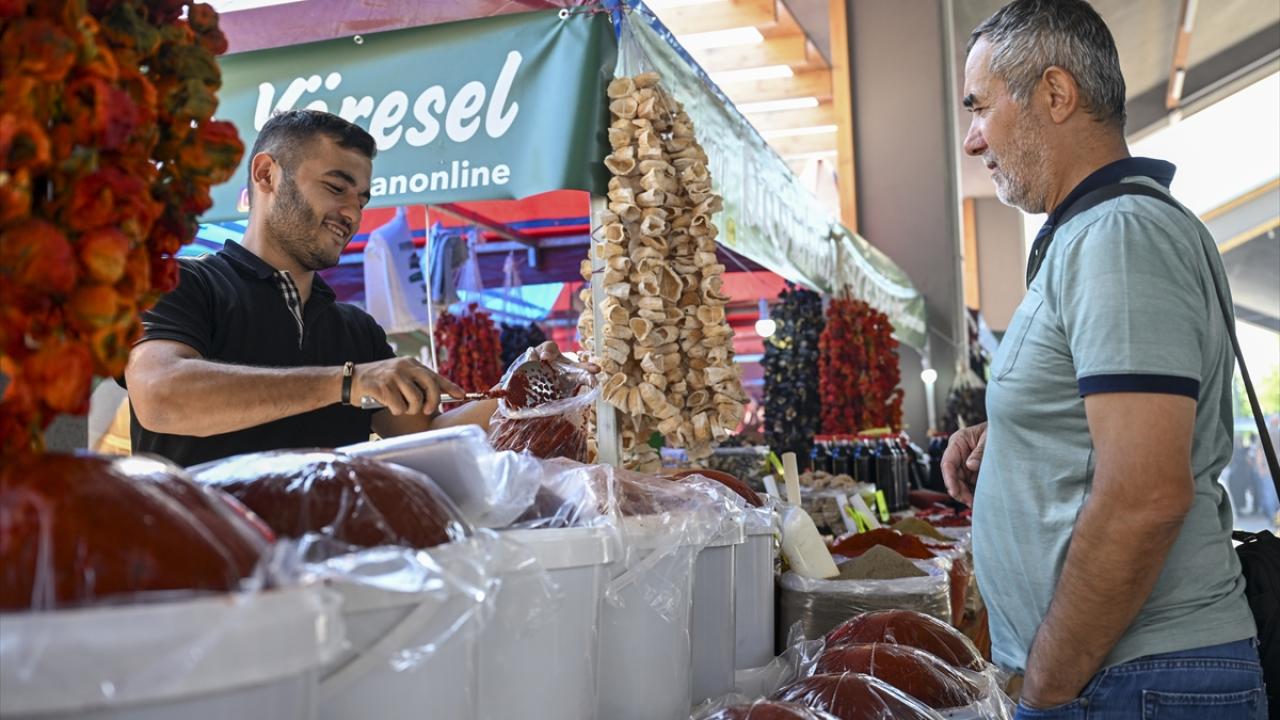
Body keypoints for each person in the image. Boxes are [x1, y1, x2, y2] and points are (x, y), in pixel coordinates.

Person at [942, 1, 1267, 717]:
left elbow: (1147, 495)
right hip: (1125, 678)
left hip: (1137, 679)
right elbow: (1115, 435)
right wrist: (1016, 444)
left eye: (980, 108)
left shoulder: (1118, 235)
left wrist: (1050, 686)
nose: (972, 140)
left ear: (1056, 95)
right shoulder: (1095, 232)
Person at [125, 110, 561, 467]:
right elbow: (160, 394)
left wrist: (532, 390)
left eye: (363, 199)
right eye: (336, 188)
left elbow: (431, 436)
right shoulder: (181, 283)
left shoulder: (356, 331)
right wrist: (346, 382)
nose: (351, 213)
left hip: (328, 567)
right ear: (266, 174)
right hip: (198, 568)